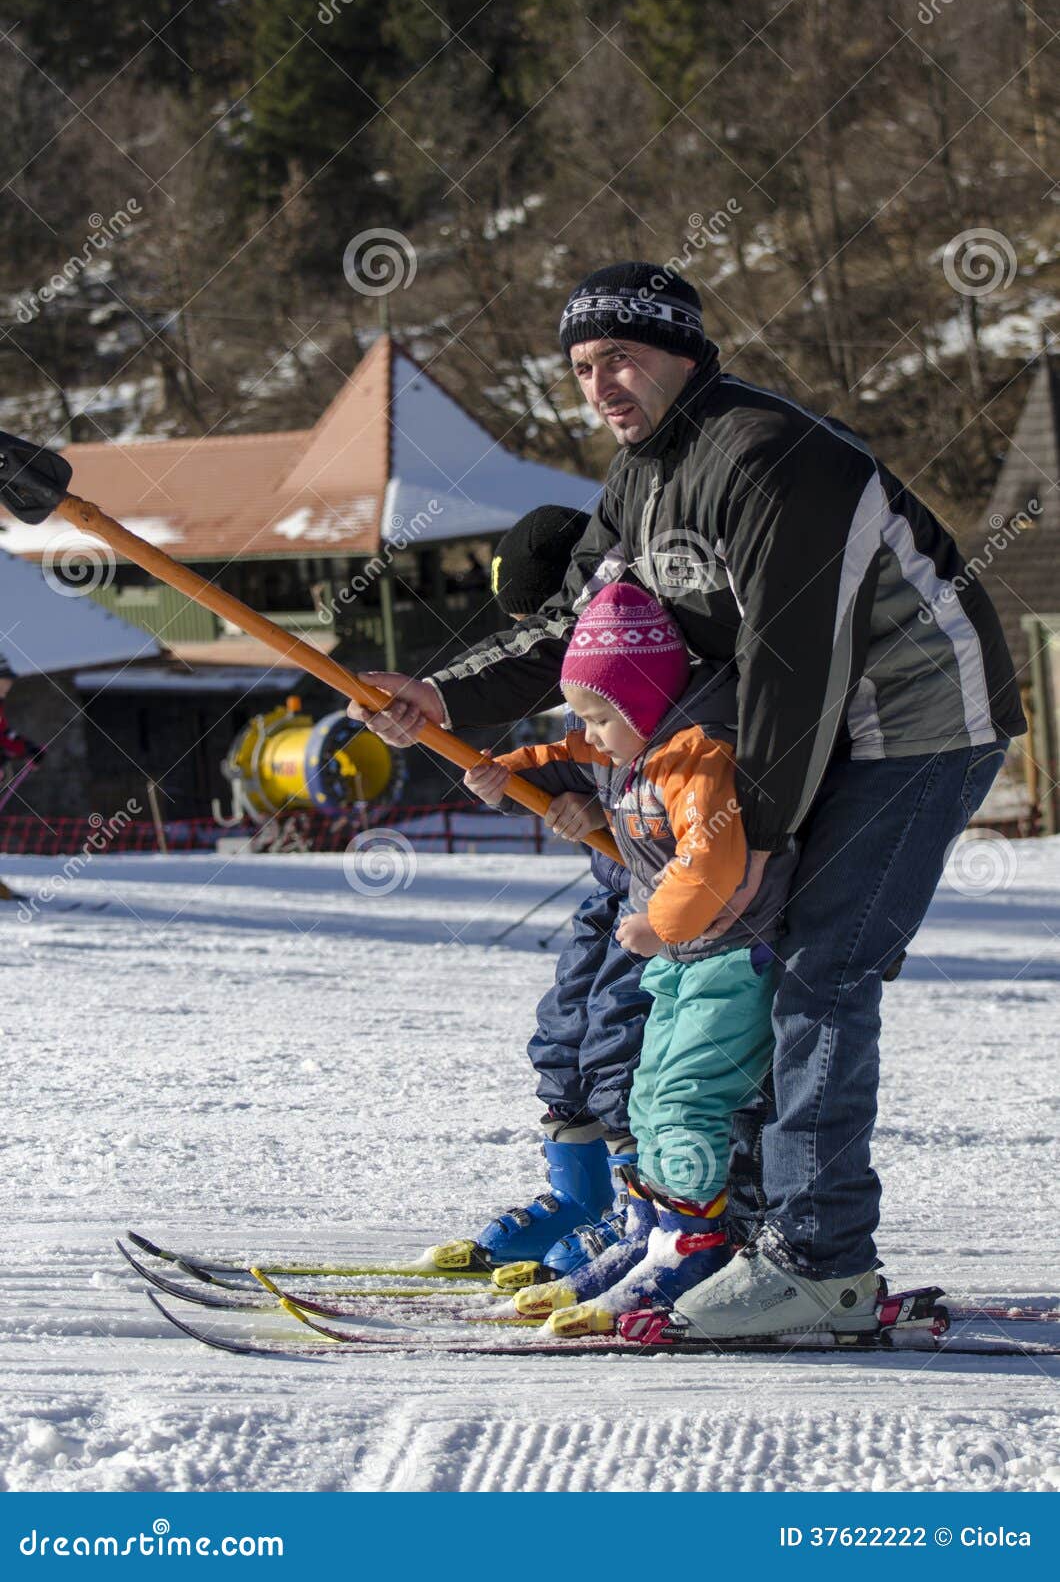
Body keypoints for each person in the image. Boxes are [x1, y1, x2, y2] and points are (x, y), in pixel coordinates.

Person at [349, 262, 1024, 1340]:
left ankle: (820, 1259)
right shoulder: (638, 476)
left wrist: (746, 841)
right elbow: (577, 629)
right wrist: (445, 694)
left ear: (684, 352)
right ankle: (734, 1231)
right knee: (756, 957)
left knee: (821, 963)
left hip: (916, 720)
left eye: (620, 357)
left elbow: (793, 668)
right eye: (582, 367)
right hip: (800, 727)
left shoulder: (768, 458)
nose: (599, 385)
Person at [464, 581, 796, 1336]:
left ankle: (694, 1247)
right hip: (686, 959)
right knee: (647, 1099)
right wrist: (503, 775)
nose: (589, 734)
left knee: (684, 1101)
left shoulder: (695, 756)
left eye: (599, 717)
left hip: (729, 958)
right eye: (583, 718)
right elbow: (559, 757)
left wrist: (656, 924)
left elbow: (712, 861)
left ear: (643, 702)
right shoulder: (629, 744)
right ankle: (652, 1234)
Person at [427, 507, 658, 1284]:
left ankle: (643, 1212)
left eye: (546, 624)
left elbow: (661, 799)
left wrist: (603, 818)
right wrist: (503, 781)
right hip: (610, 896)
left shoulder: (654, 694)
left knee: (619, 1045)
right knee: (563, 1033)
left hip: (661, 907)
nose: (546, 648)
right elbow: (565, 759)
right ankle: (580, 1200)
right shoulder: (592, 713)